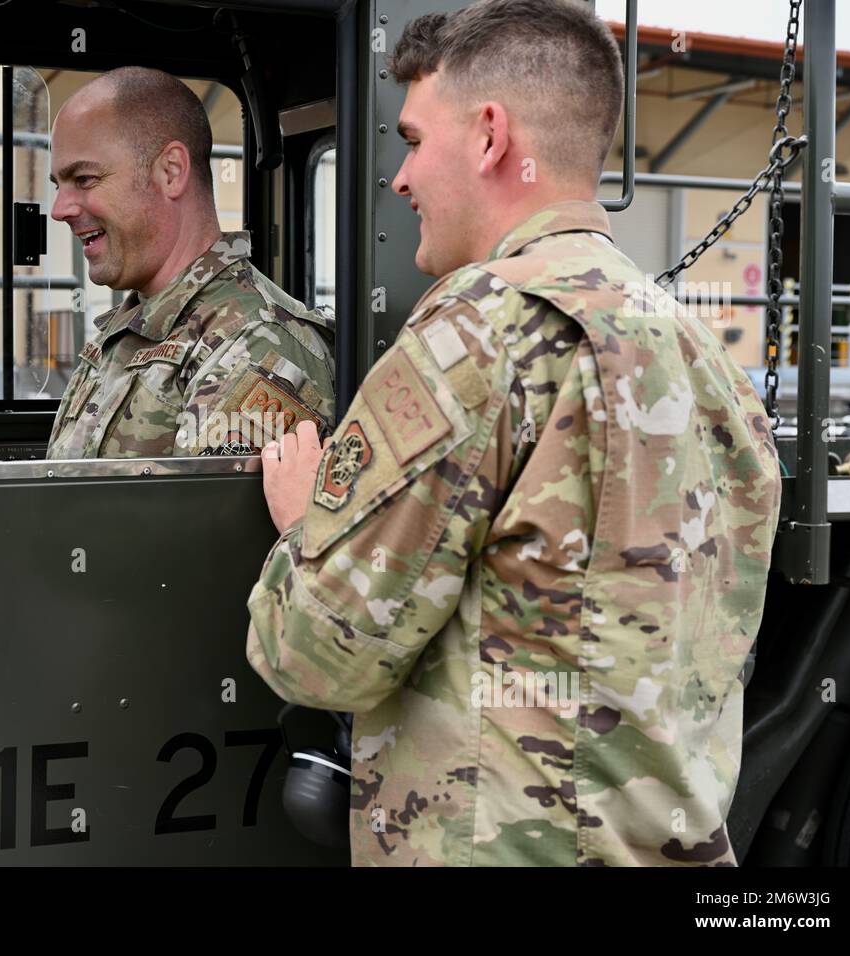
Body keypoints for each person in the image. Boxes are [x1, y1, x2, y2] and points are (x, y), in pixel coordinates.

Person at [245, 0, 781, 866]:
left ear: (490, 135)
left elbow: (320, 658)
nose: (399, 178)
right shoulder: (708, 356)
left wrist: (309, 528)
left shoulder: (475, 332)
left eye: (414, 140)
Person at [45, 67, 335, 459]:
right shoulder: (128, 330)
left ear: (171, 172)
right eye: (57, 186)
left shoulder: (252, 340)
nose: (59, 210)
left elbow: (208, 520)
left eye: (84, 179)